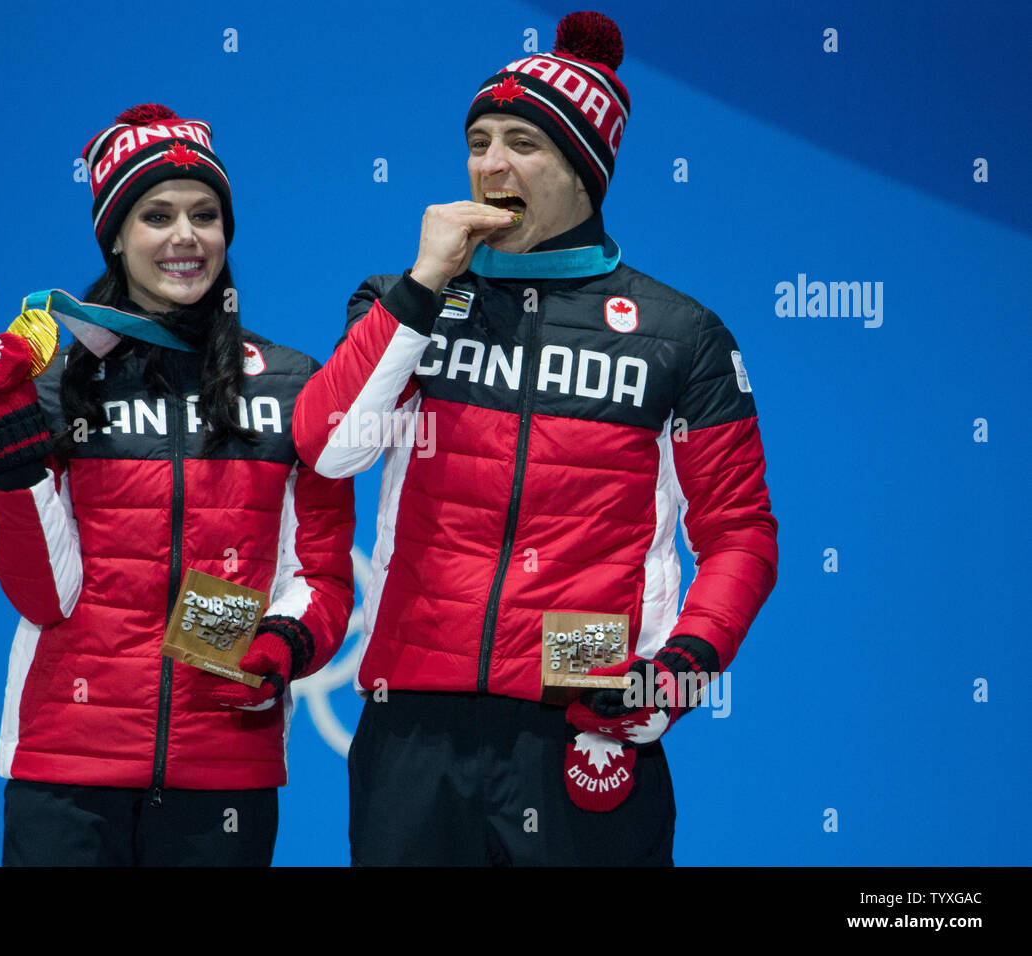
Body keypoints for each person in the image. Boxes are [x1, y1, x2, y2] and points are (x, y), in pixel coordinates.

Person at [293, 12, 778, 865]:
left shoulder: (680, 334)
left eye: (524, 142)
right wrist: (420, 287)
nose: (490, 164)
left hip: (583, 714)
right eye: (479, 140)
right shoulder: (400, 300)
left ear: (585, 171)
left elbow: (741, 535)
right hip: (410, 722)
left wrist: (683, 669)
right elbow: (328, 447)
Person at [0, 103, 355, 866]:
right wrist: (11, 449)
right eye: (157, 214)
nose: (185, 237)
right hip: (67, 765)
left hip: (224, 767)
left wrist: (286, 639)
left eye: (205, 214)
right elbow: (44, 595)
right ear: (115, 234)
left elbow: (324, 573)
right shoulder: (55, 384)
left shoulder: (292, 384)